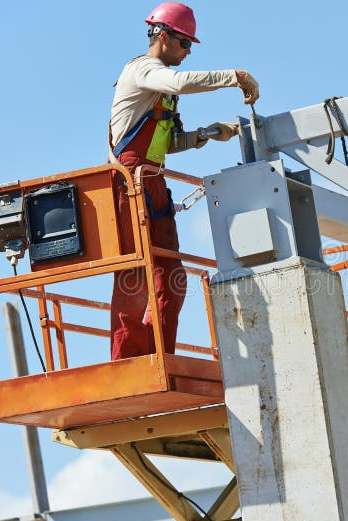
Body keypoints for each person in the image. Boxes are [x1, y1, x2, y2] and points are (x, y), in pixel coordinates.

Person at [108, 1, 259, 360]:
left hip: (152, 183)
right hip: (127, 183)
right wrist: (235, 76)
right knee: (134, 276)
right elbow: (179, 82)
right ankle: (127, 362)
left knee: (171, 278)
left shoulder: (162, 91)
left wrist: (207, 133)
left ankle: (159, 357)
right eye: (185, 43)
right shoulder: (143, 70)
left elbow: (169, 142)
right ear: (163, 36)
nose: (188, 52)